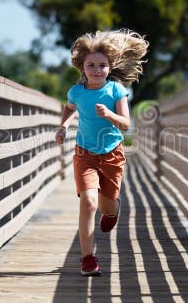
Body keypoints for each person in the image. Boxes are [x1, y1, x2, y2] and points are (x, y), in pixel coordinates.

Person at [54, 29, 149, 276]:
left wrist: (109, 115)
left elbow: (126, 124)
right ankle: (87, 258)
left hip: (112, 154)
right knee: (88, 201)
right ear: (82, 67)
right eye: (91, 65)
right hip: (84, 153)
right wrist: (63, 126)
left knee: (106, 206)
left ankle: (113, 211)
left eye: (102, 65)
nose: (97, 70)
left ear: (110, 67)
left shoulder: (116, 90)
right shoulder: (77, 92)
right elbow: (68, 108)